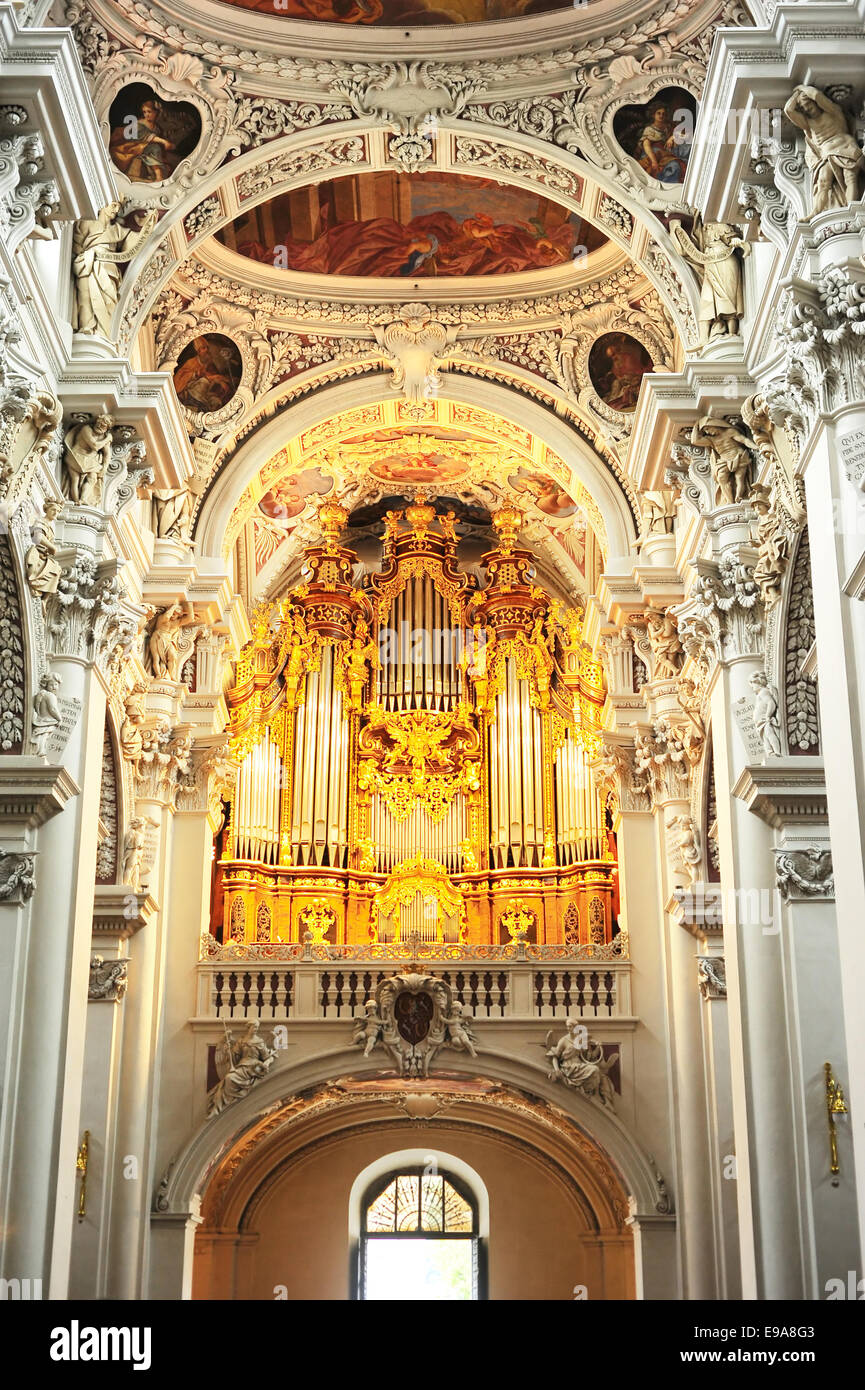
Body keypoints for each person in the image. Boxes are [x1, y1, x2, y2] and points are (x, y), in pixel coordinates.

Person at [783, 85, 865, 214]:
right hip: (826, 155)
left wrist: (803, 87)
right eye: (803, 108)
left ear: (815, 103)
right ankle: (815, 212)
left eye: (808, 105)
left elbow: (817, 95)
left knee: (850, 177)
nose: (806, 109)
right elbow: (788, 110)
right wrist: (796, 94)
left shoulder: (833, 112)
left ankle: (851, 210)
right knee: (822, 182)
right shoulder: (808, 124)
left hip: (845, 146)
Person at [109, 99, 177, 183]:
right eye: (144, 112)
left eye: (149, 112)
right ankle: (158, 175)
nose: (146, 114)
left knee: (156, 149)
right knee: (154, 148)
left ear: (156, 112)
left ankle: (159, 173)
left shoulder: (157, 128)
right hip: (131, 144)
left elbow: (152, 138)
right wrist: (164, 142)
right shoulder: (140, 123)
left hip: (143, 146)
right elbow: (147, 136)